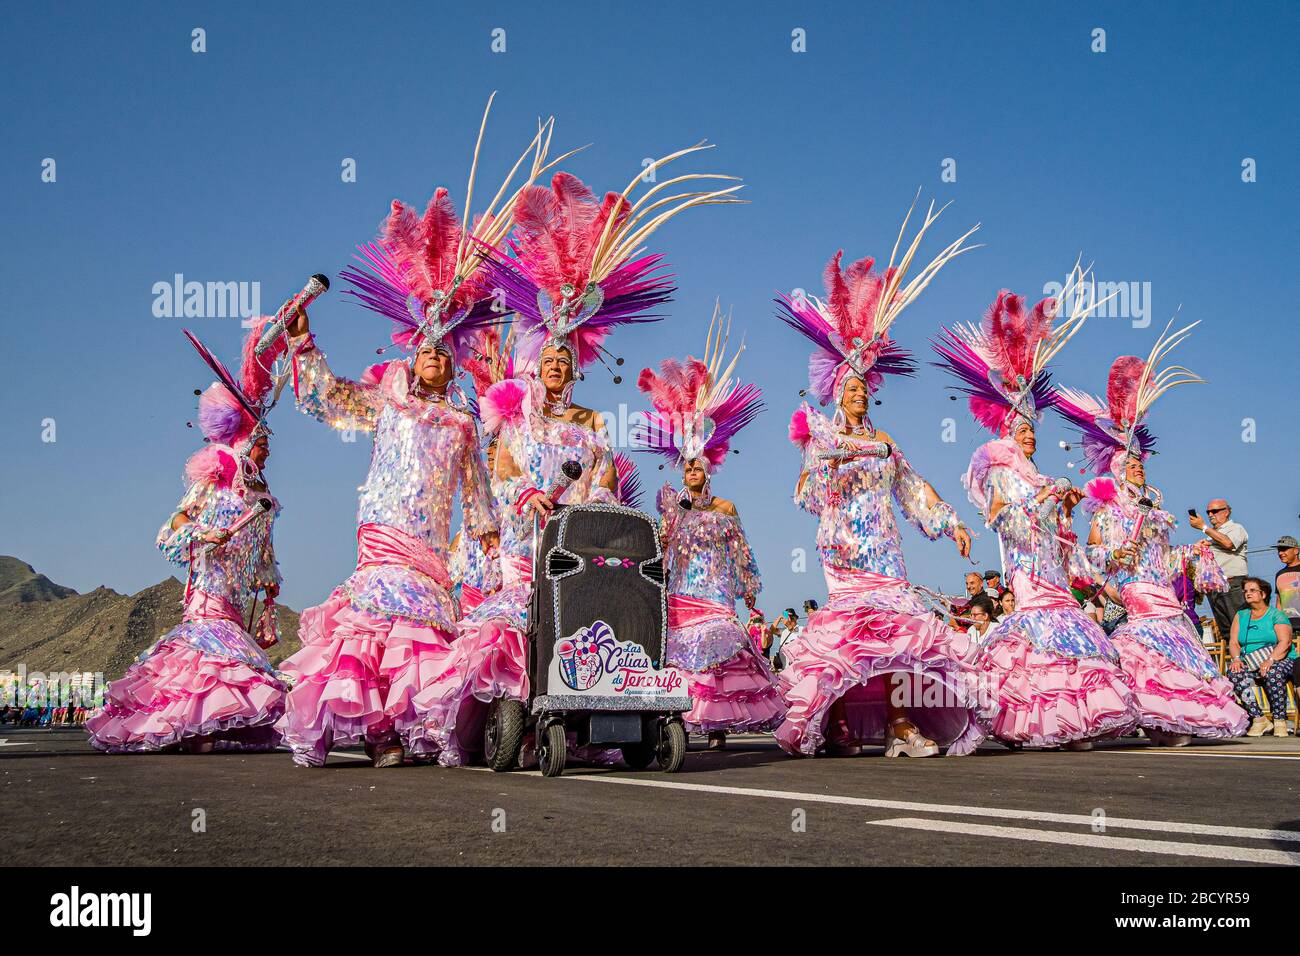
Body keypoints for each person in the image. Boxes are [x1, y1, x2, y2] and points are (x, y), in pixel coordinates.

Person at [418, 149, 742, 766]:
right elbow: (503, 467)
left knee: (592, 611)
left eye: (568, 357)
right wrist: (528, 496)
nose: (559, 364)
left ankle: (595, 704)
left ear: (577, 364)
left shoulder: (594, 422)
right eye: (551, 355)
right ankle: (512, 715)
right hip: (524, 538)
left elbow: (603, 480)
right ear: (537, 360)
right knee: (517, 621)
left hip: (574, 542)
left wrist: (595, 511)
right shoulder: (517, 415)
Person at [275, 129, 539, 766]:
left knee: (419, 636)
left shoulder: (462, 424)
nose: (430, 362)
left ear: (449, 361)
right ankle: (378, 733)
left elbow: (478, 493)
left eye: (439, 355)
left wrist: (494, 537)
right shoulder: (387, 396)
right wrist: (304, 346)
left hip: (432, 544)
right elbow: (328, 400)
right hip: (384, 529)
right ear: (411, 352)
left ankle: (404, 728)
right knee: (373, 629)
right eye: (421, 351)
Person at [773, 202, 986, 759]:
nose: (858, 393)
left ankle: (896, 724)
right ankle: (838, 725)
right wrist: (824, 462)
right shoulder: (821, 440)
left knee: (893, 634)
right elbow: (805, 498)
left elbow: (913, 489)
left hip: (885, 548)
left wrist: (950, 523)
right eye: (850, 387)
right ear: (836, 390)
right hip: (842, 546)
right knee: (848, 635)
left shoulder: (884, 442)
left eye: (864, 387)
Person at [934, 264, 1139, 750]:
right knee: (1040, 636)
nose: (1028, 432)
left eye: (1032, 427)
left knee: (1069, 633)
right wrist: (1046, 499)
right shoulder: (999, 469)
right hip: (1025, 565)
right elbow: (1004, 517)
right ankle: (1030, 720)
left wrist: (1064, 505)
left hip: (1053, 566)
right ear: (1006, 430)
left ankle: (1076, 720)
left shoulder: (1045, 475)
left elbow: (1061, 530)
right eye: (1020, 427)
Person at [87, 318, 290, 753]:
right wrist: (204, 535)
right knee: (208, 649)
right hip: (209, 588)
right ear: (243, 434)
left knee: (227, 654)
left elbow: (263, 548)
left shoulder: (262, 495)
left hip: (238, 596)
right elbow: (173, 525)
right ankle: (191, 726)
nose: (268, 445)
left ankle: (208, 725)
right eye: (262, 437)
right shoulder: (215, 477)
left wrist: (268, 577)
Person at [1057, 325, 1247, 745]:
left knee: (1174, 639)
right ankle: (1154, 716)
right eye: (1131, 462)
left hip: (1159, 581)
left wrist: (1190, 553)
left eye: (1141, 461)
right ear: (1117, 469)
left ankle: (1169, 717)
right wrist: (1115, 556)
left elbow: (1162, 553)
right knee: (1150, 638)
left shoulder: (1155, 506)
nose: (1139, 466)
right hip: (1135, 586)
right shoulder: (1108, 505)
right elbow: (1095, 552)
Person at [633, 310, 786, 748]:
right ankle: (683, 717)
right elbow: (660, 543)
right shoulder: (671, 501)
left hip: (717, 587)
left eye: (698, 468)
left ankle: (717, 724)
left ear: (709, 468)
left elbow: (742, 547)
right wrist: (675, 514)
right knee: (685, 650)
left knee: (721, 645)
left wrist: (749, 585)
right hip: (682, 587)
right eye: (687, 468)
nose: (692, 474)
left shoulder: (725, 506)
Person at [1226, 578, 1295, 737]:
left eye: (1252, 590)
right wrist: (1236, 659)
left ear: (1263, 594)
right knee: (1234, 675)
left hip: (1281, 658)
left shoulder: (1275, 614)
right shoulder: (1241, 615)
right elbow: (1234, 642)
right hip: (1251, 661)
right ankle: (1259, 719)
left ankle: (1279, 720)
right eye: (1245, 591)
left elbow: (1285, 642)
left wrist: (1270, 660)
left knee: (1273, 671)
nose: (1247, 594)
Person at [1189, 499, 1248, 640]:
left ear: (1226, 511)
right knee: (1226, 631)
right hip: (1215, 587)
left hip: (1233, 584)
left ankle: (1249, 658)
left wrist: (1203, 527)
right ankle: (1234, 659)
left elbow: (1228, 543)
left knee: (1240, 628)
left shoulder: (1236, 528)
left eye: (1214, 511)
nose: (1210, 514)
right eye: (1208, 511)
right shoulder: (1212, 534)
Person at [1274, 535, 1300, 634]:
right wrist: (1278, 623)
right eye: (1279, 550)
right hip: (1287, 626)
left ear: (1296, 551)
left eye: (1284, 549)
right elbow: (1279, 601)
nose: (1280, 553)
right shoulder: (1279, 574)